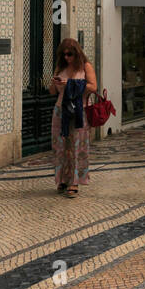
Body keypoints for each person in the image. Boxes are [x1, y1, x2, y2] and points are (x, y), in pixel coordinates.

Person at [50, 38, 97, 197]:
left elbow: (93, 86)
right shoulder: (60, 67)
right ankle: (62, 179)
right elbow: (52, 92)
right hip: (60, 110)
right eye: (63, 55)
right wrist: (54, 83)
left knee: (77, 147)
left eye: (69, 54)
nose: (66, 58)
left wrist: (70, 83)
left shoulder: (85, 67)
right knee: (61, 146)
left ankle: (75, 182)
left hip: (79, 111)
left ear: (76, 53)